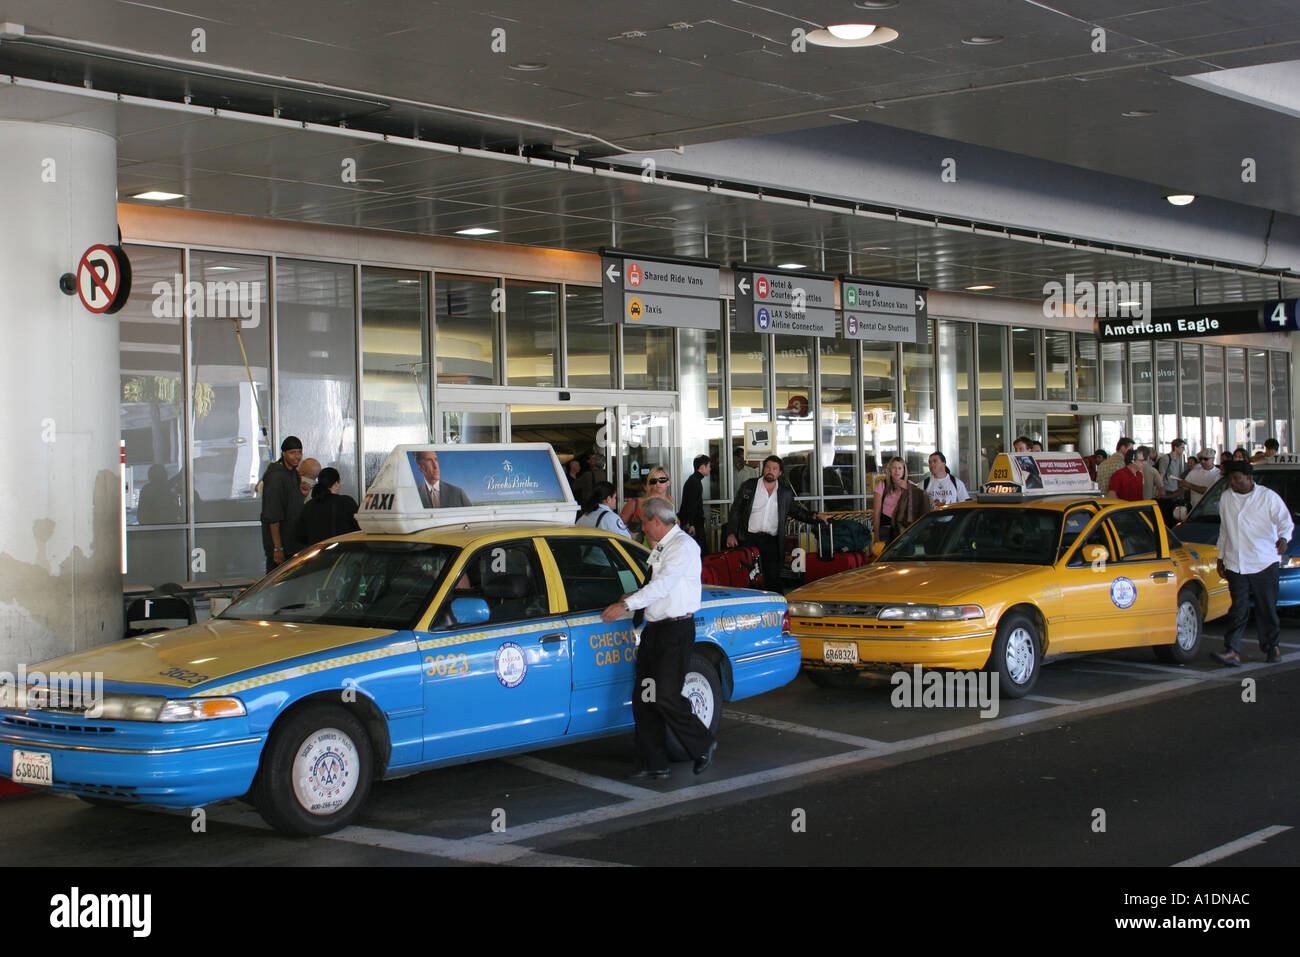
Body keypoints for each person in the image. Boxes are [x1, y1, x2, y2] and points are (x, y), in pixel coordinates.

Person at [600, 496, 714, 779]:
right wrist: (633, 596)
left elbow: (663, 586)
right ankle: (652, 762)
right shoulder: (662, 545)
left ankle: (702, 744)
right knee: (645, 698)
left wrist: (625, 605)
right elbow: (654, 583)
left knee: (665, 696)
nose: (642, 529)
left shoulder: (683, 546)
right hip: (655, 630)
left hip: (675, 631)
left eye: (644, 524)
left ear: (656, 521)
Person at [1211, 461, 1294, 666]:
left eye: (1237, 478)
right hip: (1235, 562)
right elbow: (1224, 530)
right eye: (1231, 478)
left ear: (1249, 478)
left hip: (1263, 561)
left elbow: (1285, 521)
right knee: (1238, 609)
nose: (1233, 482)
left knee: (1266, 608)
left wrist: (1284, 538)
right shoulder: (1226, 498)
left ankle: (1271, 647)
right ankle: (1232, 650)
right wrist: (1220, 556)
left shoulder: (1267, 497)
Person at [724, 455, 827, 591]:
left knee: (772, 578)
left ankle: (777, 608)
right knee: (748, 577)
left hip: (771, 542)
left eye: (774, 468)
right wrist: (731, 533)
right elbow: (736, 510)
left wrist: (815, 515)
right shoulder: (749, 486)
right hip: (749, 539)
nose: (770, 471)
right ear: (763, 469)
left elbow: (796, 512)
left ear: (780, 473)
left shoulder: (784, 492)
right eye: (767, 467)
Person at [260, 436, 305, 572]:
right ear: (283, 453)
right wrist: (277, 548)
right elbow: (273, 516)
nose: (297, 456)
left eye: (299, 452)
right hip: (280, 546)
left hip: (294, 543)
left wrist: (303, 495)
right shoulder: (276, 477)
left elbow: (293, 506)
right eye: (292, 453)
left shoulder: (294, 474)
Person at [872, 456, 930, 544]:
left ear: (904, 470)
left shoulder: (910, 485)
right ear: (890, 470)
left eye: (900, 468)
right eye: (894, 468)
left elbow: (922, 499)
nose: (897, 471)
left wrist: (907, 488)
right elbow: (876, 513)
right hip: (886, 528)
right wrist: (876, 536)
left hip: (904, 530)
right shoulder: (882, 485)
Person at [298, 467, 360, 547]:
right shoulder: (346, 502)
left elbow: (301, 535)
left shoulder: (309, 505)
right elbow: (359, 528)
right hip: (342, 554)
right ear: (336, 483)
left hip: (316, 553)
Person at [679, 454, 711, 547]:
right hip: (694, 524)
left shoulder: (694, 480)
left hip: (694, 522)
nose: (710, 469)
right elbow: (691, 505)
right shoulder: (694, 482)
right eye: (709, 466)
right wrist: (691, 524)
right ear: (702, 467)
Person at [1156, 439, 1187, 522]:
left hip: (1177, 490)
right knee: (1167, 514)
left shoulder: (1181, 458)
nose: (1183, 449)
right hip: (1168, 489)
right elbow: (1161, 475)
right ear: (1175, 447)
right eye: (1182, 447)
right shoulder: (1166, 458)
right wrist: (1160, 489)